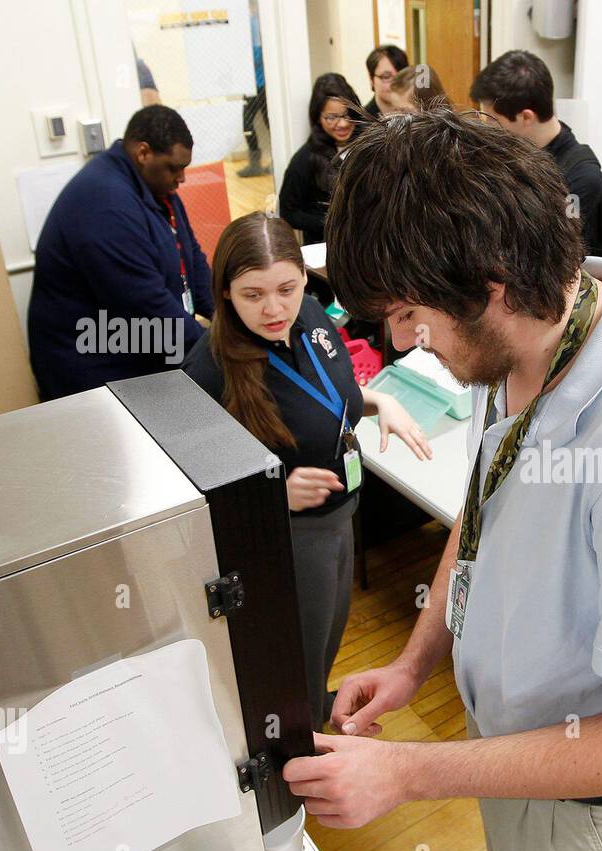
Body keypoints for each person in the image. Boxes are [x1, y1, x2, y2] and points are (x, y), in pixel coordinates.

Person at [282, 110, 602, 851]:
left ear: (491, 283)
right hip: (517, 762)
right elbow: (486, 504)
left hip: (595, 813)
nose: (403, 345)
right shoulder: (531, 344)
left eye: (407, 315)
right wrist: (416, 661)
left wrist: (407, 774)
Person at [182, 213, 430, 729]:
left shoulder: (311, 315)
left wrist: (377, 400)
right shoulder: (208, 369)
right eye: (252, 295)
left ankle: (315, 713)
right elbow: (189, 490)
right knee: (294, 650)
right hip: (288, 536)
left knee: (325, 637)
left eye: (286, 289)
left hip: (340, 513)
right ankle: (300, 743)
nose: (274, 309)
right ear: (225, 293)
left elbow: (330, 392)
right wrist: (271, 494)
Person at [28, 105, 212, 401]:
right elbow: (145, 303)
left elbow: (192, 258)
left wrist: (229, 318)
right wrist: (213, 350)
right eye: (174, 168)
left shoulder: (158, 190)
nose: (182, 178)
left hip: (137, 343)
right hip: (92, 361)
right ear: (143, 153)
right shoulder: (103, 202)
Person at [469, 49, 602, 261]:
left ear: (526, 117)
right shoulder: (515, 156)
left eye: (493, 120)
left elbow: (543, 258)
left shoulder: (580, 179)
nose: (488, 128)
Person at [279, 73, 361, 244]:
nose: (343, 124)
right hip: (325, 249)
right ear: (317, 117)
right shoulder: (304, 159)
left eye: (348, 114)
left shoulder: (367, 146)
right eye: (331, 118)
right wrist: (329, 222)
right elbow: (288, 212)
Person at [238, 1, 271, 177]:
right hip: (250, 84)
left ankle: (266, 163)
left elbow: (258, 54)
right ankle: (255, 164)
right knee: (248, 124)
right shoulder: (245, 20)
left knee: (266, 124)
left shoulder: (258, 20)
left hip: (263, 84)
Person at [364, 45, 409, 118]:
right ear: (371, 79)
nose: (395, 83)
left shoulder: (416, 115)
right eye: (386, 77)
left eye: (401, 75)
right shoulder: (360, 122)